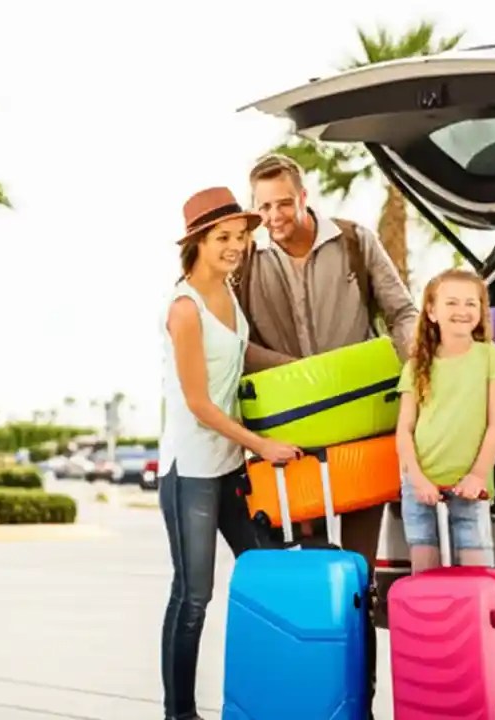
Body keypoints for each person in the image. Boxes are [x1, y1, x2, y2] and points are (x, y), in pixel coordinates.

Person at [158, 186, 301, 720]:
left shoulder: (228, 295)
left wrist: (301, 374)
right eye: (223, 237)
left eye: (241, 237)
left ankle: (273, 695)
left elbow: (239, 364)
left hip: (228, 466)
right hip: (191, 469)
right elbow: (199, 403)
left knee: (262, 570)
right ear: (196, 242)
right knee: (193, 596)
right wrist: (262, 445)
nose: (235, 246)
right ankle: (180, 712)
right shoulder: (184, 308)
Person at [235, 152, 419, 562]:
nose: (275, 215)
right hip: (292, 432)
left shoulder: (354, 241)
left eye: (284, 203)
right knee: (308, 562)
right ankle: (319, 627)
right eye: (264, 206)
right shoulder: (245, 261)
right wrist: (294, 372)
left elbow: (403, 313)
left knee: (360, 564)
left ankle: (359, 625)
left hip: (362, 421)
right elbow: (232, 344)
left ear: (303, 196)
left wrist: (416, 378)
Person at [395, 268, 495, 574]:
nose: (462, 311)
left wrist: (477, 475)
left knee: (478, 577)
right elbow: (405, 430)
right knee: (425, 578)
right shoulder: (416, 366)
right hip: (420, 484)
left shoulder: (493, 358)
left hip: (470, 485)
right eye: (452, 303)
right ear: (432, 312)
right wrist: (418, 479)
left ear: (481, 311)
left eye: (470, 304)